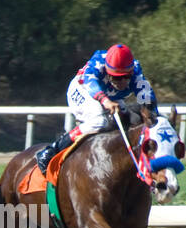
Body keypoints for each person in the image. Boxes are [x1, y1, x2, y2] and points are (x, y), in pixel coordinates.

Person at [36, 43, 157, 173]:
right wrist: (105, 101)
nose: (122, 82)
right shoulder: (98, 63)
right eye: (117, 77)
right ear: (107, 70)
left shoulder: (136, 71)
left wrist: (154, 120)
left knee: (134, 120)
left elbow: (147, 98)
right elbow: (91, 85)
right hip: (82, 90)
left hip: (111, 97)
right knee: (101, 120)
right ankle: (53, 149)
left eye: (126, 76)